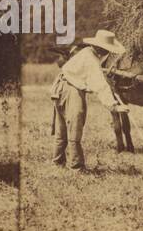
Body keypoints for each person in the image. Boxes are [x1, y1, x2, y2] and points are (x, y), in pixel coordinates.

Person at [52, 30, 130, 171]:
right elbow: (100, 85)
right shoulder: (92, 60)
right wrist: (114, 106)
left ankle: (57, 162)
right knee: (75, 127)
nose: (108, 53)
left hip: (60, 88)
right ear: (101, 49)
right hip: (71, 90)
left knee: (62, 129)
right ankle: (76, 167)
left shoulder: (87, 52)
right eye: (107, 50)